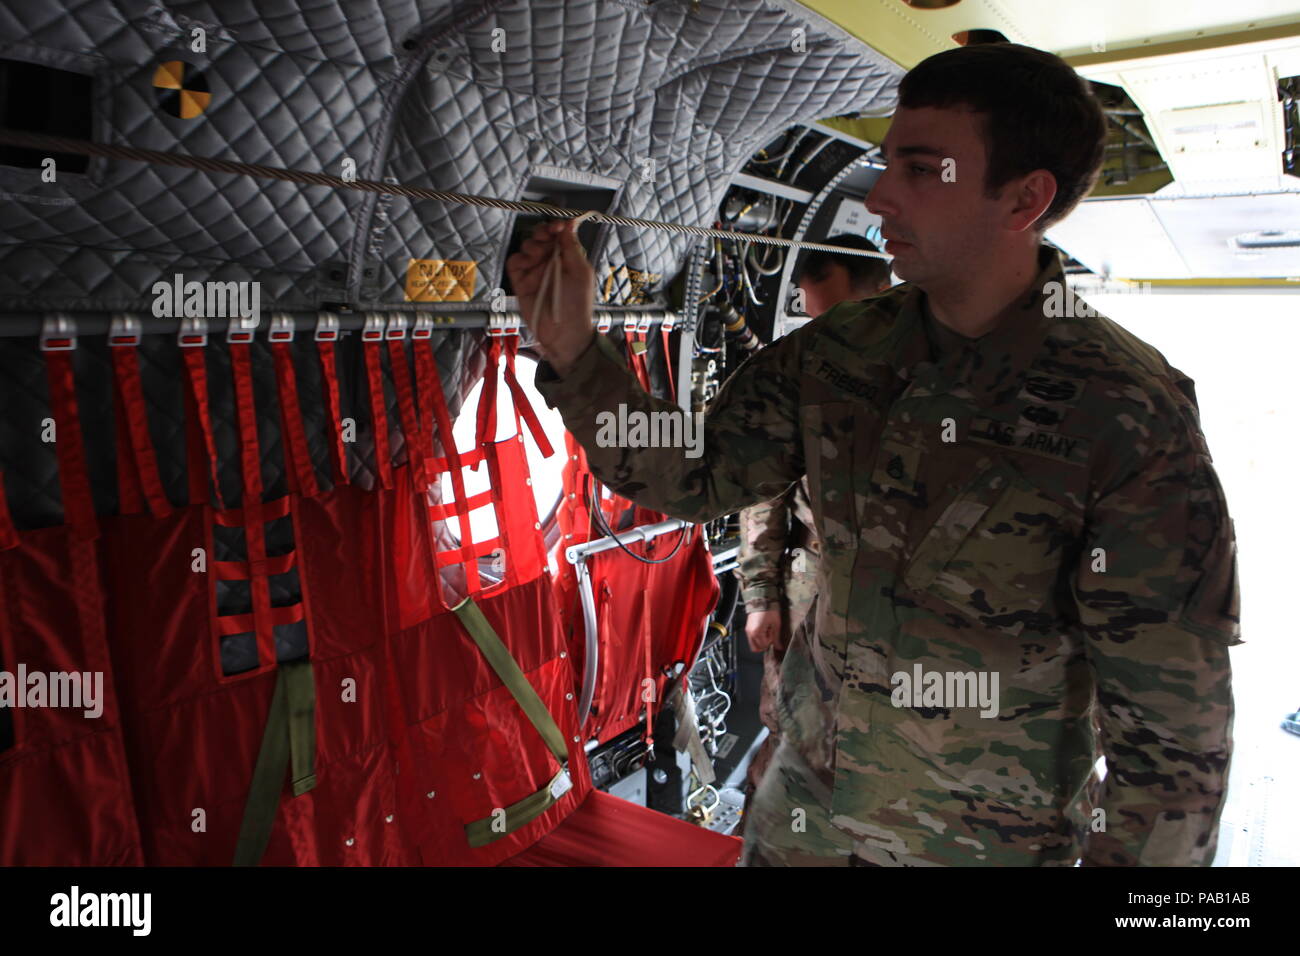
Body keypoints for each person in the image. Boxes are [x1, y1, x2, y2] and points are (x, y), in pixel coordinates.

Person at [508, 42, 1240, 867]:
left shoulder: (1127, 412)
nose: (883, 197)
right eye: (887, 163)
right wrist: (576, 353)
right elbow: (695, 471)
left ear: (1025, 199)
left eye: (924, 170)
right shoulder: (841, 353)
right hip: (803, 818)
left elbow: (1172, 750)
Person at [739, 238, 892, 817]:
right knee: (788, 719)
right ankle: (765, 830)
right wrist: (760, 595)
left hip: (894, 592)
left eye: (834, 316)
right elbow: (764, 489)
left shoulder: (936, 370)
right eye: (812, 317)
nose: (823, 333)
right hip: (810, 583)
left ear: (879, 291)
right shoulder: (799, 371)